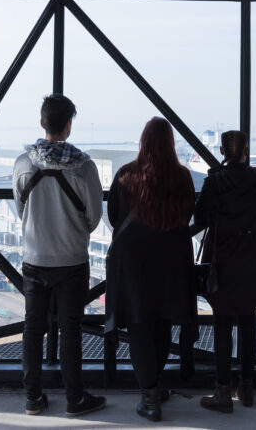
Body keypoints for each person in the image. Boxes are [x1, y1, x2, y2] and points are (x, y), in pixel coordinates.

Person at [12, 94, 105, 417]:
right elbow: (94, 218)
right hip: (72, 261)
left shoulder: (23, 164)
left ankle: (32, 397)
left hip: (34, 259)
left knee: (33, 328)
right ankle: (75, 398)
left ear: (42, 123)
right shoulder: (84, 167)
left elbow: (20, 210)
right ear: (68, 126)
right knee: (71, 329)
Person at [105, 117, 197, 423]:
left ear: (143, 142)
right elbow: (187, 213)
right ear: (171, 143)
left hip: (134, 263)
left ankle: (149, 396)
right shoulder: (182, 177)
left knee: (140, 327)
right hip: (171, 261)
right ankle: (155, 386)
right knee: (162, 325)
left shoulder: (125, 176)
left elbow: (115, 216)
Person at [194, 130, 256, 413]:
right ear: (246, 151)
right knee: (248, 320)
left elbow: (201, 217)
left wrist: (216, 174)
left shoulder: (214, 181)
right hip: (253, 256)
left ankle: (222, 391)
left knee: (222, 325)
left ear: (221, 151)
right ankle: (247, 386)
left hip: (222, 259)